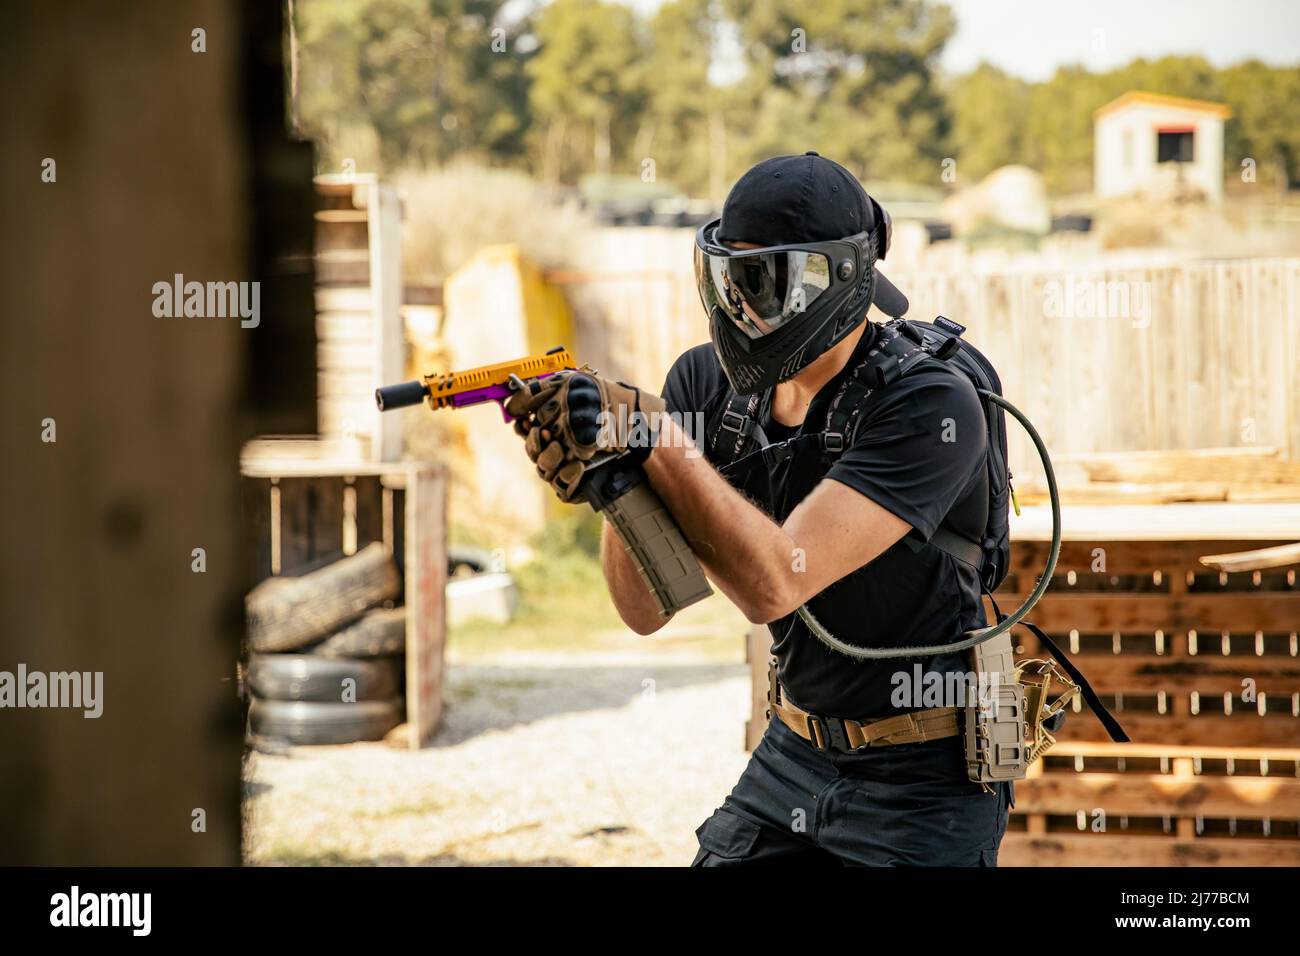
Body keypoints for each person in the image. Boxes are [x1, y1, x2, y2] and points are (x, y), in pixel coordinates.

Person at [508, 152, 1010, 866]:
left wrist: (655, 436)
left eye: (764, 282)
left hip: (926, 773)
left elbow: (776, 581)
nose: (741, 307)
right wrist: (613, 474)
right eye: (729, 278)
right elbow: (644, 611)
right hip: (795, 750)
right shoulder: (705, 383)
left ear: (835, 278)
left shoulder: (930, 403)